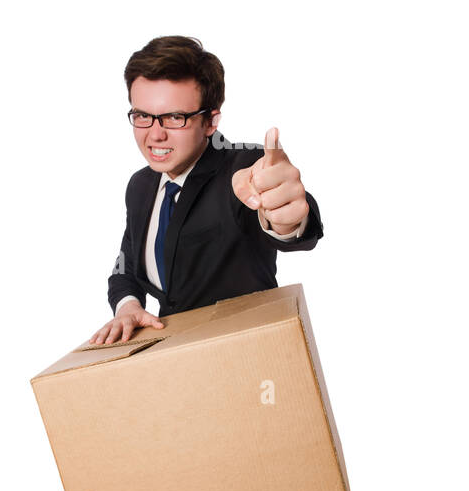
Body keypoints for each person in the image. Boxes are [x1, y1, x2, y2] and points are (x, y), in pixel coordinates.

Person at [90, 36, 323, 345]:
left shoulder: (243, 168)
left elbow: (275, 204)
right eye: (143, 116)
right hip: (172, 359)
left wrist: (287, 220)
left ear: (211, 121)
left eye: (175, 117)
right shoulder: (140, 185)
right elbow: (125, 267)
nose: (155, 135)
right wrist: (128, 306)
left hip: (248, 355)